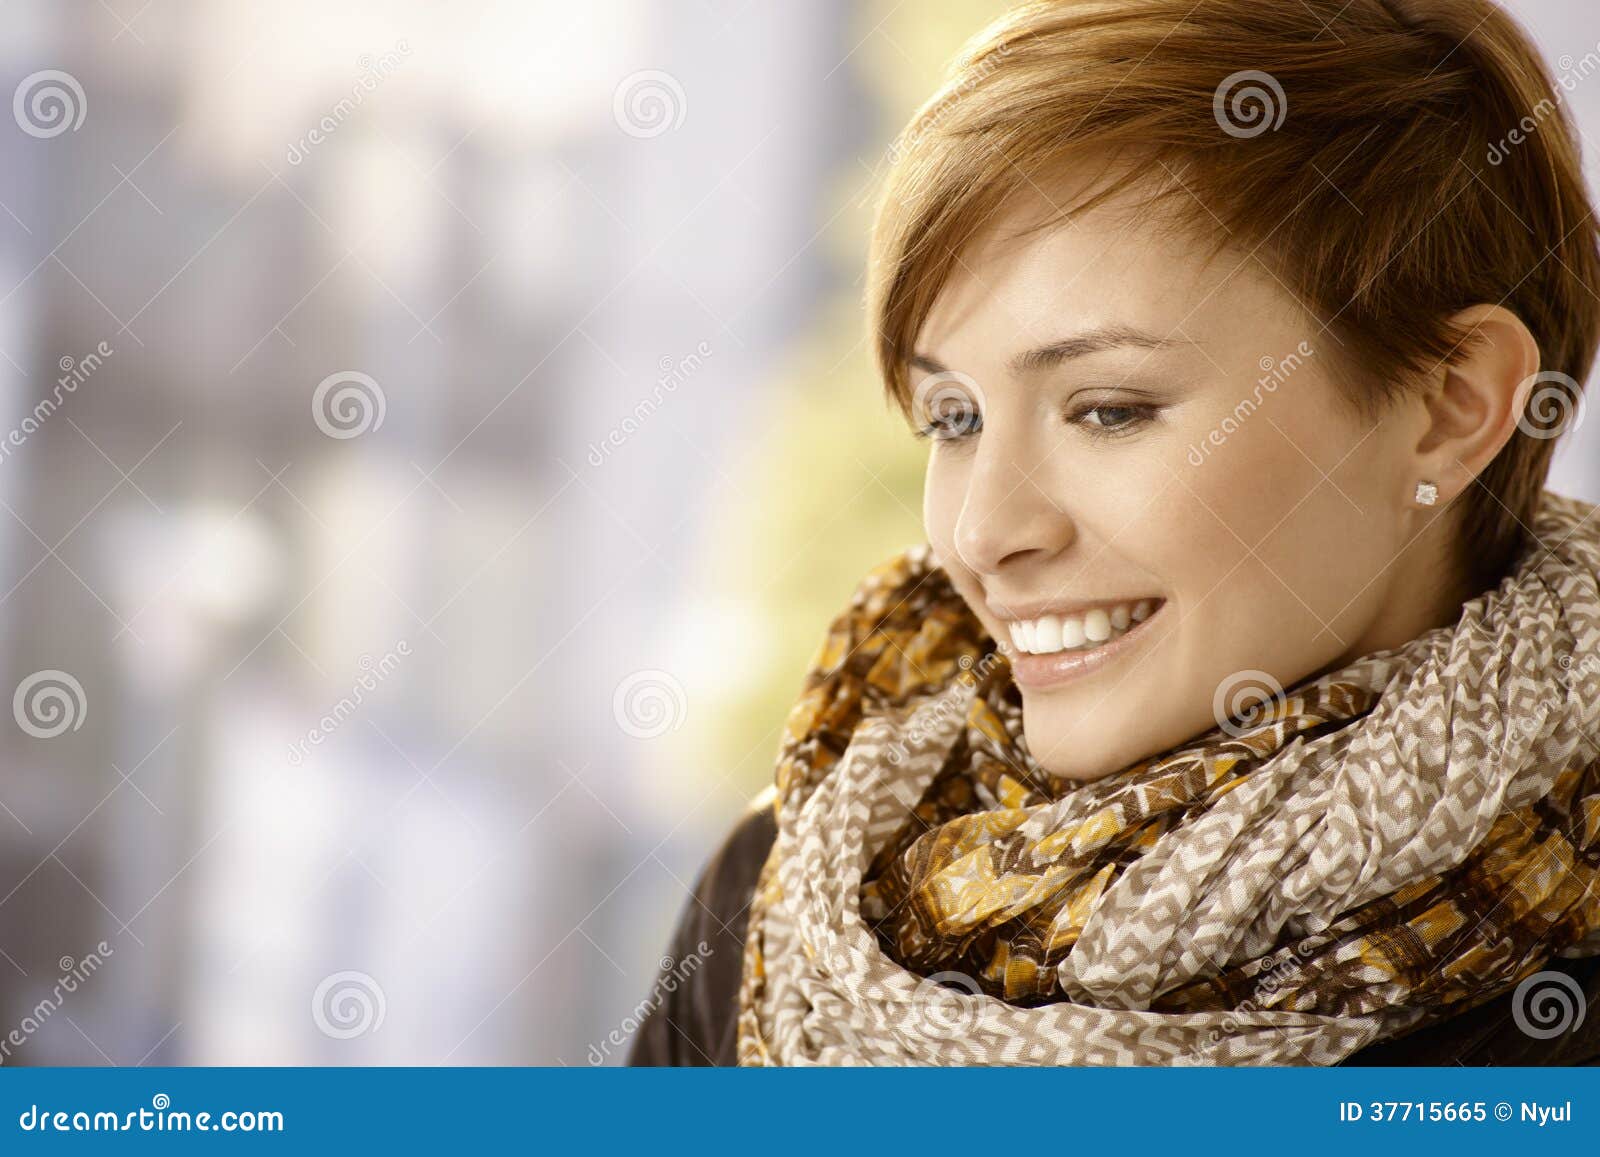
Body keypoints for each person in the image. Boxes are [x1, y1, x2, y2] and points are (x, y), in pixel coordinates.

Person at [631, 0, 1600, 1066]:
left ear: (1450, 402)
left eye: (1108, 409)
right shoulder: (788, 891)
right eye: (953, 417)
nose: (982, 530)